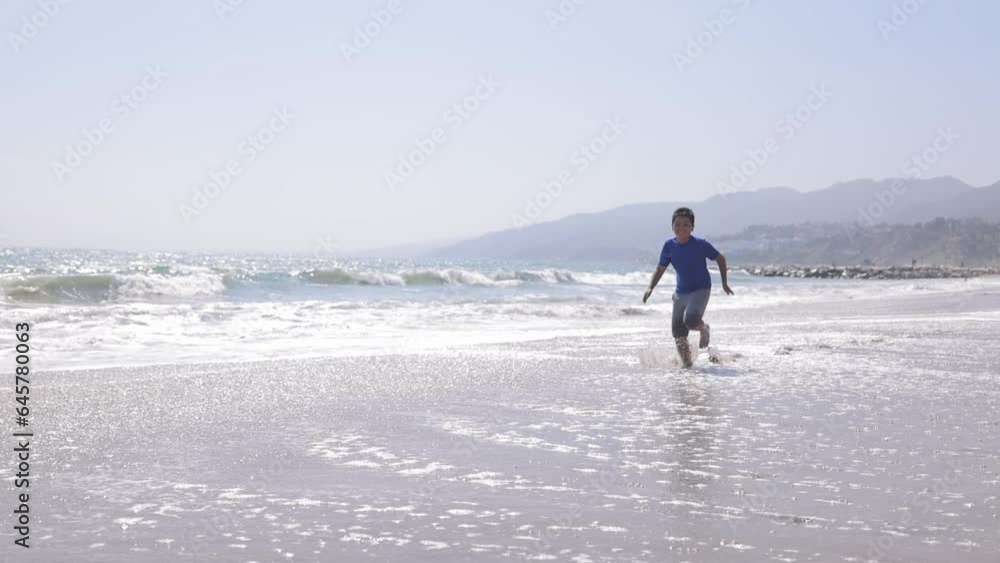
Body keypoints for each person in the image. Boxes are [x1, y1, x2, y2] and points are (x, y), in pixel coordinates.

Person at [643, 207, 733, 367]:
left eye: (686, 224)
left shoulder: (700, 244)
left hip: (701, 289)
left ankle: (704, 328)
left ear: (692, 227)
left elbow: (720, 259)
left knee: (691, 321)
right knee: (678, 332)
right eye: (678, 224)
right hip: (680, 292)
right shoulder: (669, 246)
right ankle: (688, 366)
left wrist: (724, 283)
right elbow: (660, 268)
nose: (681, 228)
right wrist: (650, 287)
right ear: (672, 226)